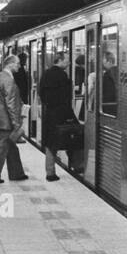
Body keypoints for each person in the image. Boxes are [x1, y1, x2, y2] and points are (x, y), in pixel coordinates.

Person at [0, 53, 28, 183]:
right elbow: (10, 103)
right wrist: (16, 122)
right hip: (7, 118)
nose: (19, 66)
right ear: (10, 64)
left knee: (11, 144)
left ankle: (17, 173)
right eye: (17, 64)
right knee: (3, 145)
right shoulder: (9, 80)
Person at [39, 52, 76, 181]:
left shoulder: (45, 74)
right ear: (59, 60)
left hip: (49, 114)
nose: (69, 62)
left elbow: (41, 94)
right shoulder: (62, 75)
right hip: (61, 114)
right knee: (74, 138)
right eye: (67, 60)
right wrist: (70, 116)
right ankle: (78, 166)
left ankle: (50, 172)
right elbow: (66, 97)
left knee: (50, 143)